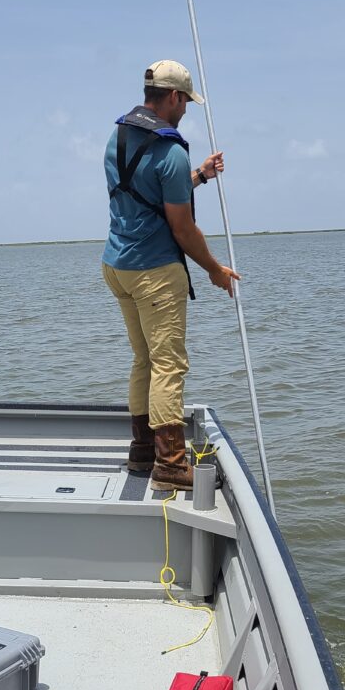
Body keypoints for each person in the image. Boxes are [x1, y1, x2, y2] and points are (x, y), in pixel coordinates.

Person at [103, 59, 240, 491]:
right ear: (174, 97)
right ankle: (171, 464)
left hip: (117, 266)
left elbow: (143, 193)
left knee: (144, 360)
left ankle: (141, 452)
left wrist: (198, 175)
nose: (186, 112)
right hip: (155, 273)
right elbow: (182, 228)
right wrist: (216, 271)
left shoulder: (118, 136)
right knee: (168, 366)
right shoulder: (171, 150)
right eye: (186, 103)